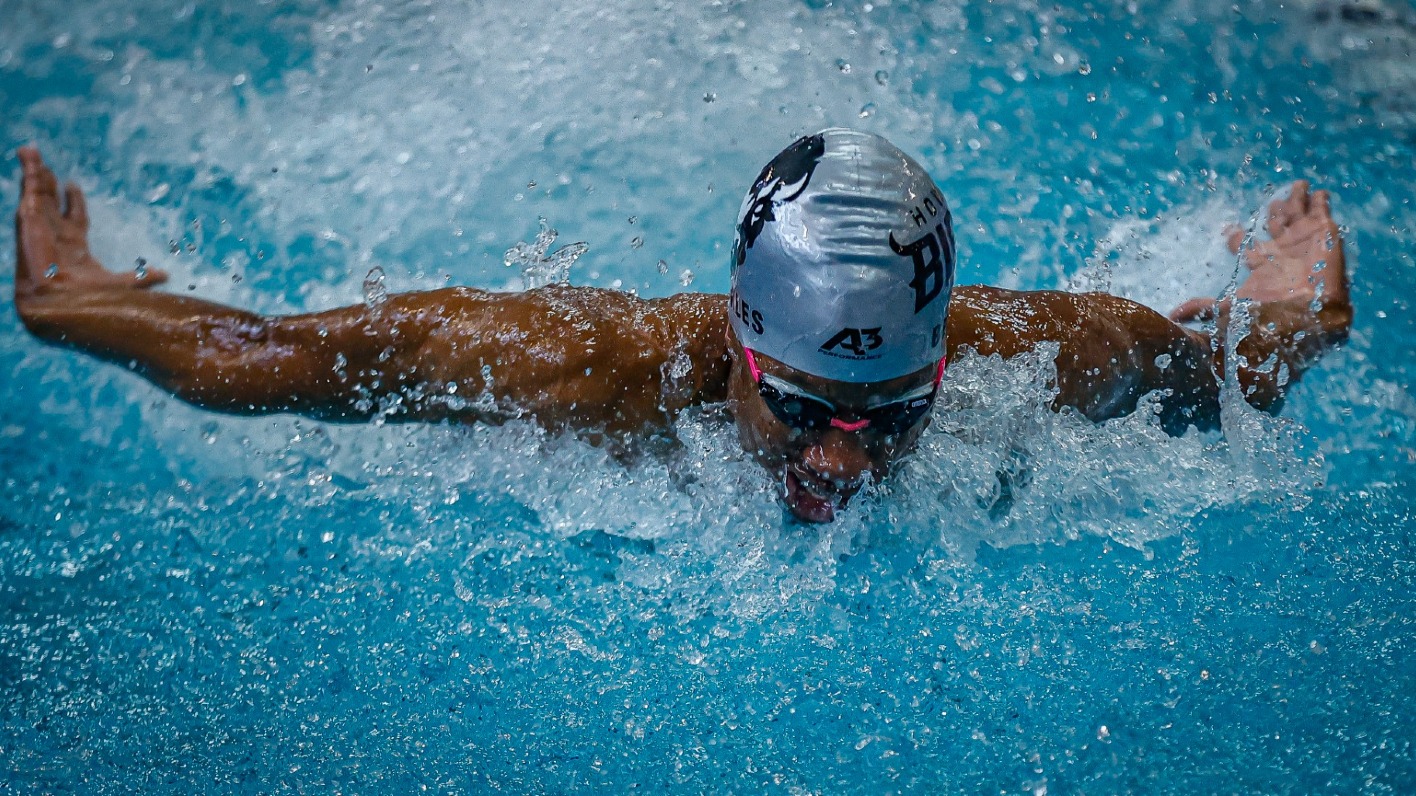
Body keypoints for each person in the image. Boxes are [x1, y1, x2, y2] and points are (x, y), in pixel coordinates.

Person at [12, 129, 1351, 522]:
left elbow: (1214, 375)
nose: (841, 459)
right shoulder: (585, 368)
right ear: (739, 345)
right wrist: (72, 304)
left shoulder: (1031, 356)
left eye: (893, 414)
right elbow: (268, 360)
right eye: (807, 408)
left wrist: (1302, 316)